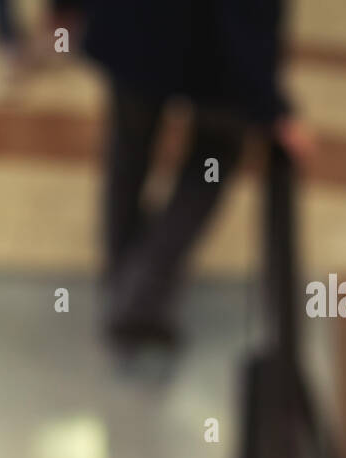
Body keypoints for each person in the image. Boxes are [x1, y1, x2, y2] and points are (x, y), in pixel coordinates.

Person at [61, 0, 313, 353]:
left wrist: (68, 8)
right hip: (213, 53)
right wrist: (269, 104)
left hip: (131, 25)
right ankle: (138, 296)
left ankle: (124, 284)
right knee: (211, 159)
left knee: (128, 150)